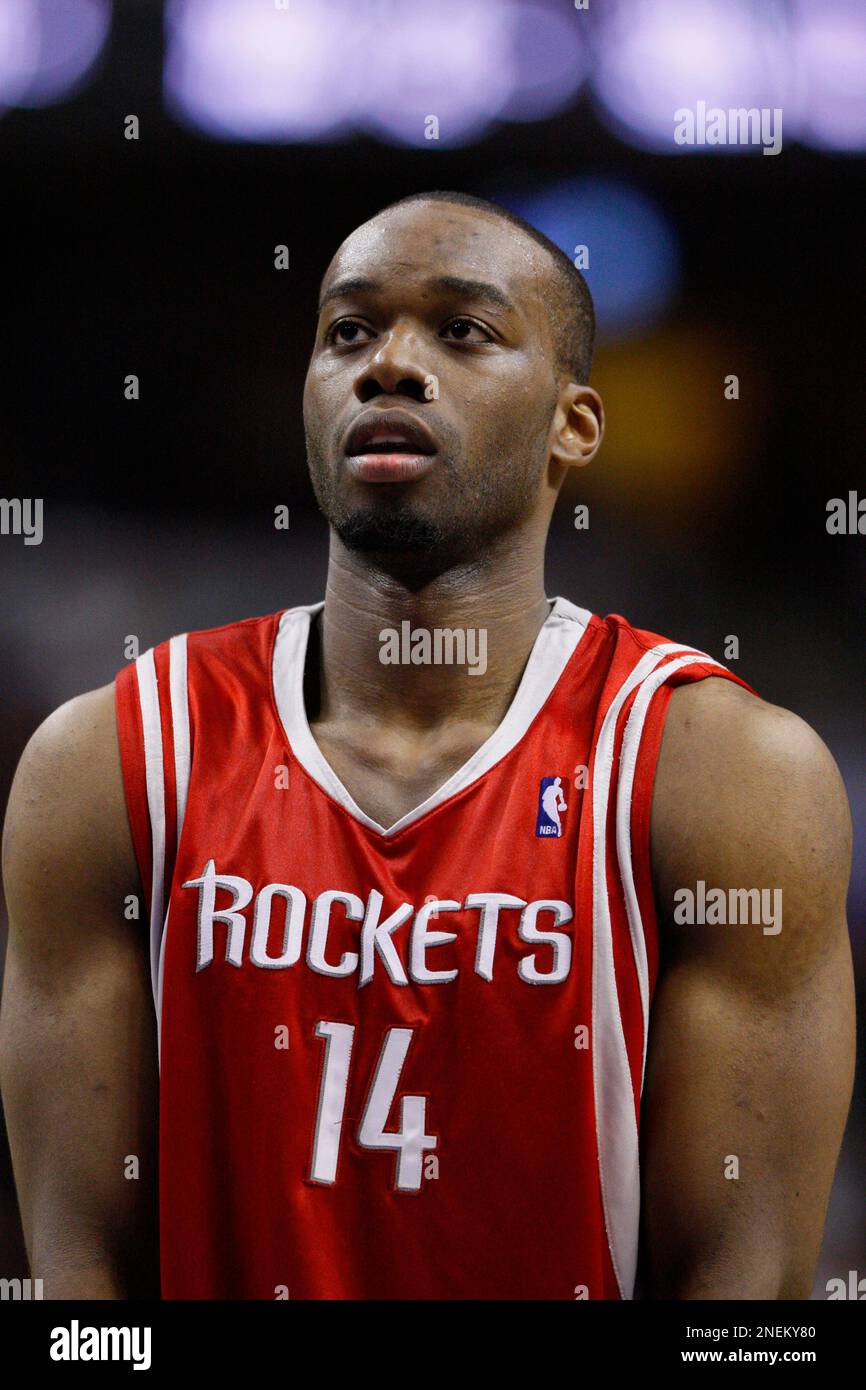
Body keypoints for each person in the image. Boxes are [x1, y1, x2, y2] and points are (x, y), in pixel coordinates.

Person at [0, 191, 854, 1300]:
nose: (387, 364)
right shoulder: (112, 757)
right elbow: (79, 1289)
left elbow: (745, 1296)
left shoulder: (724, 774)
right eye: (347, 332)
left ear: (572, 423)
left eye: (463, 331)